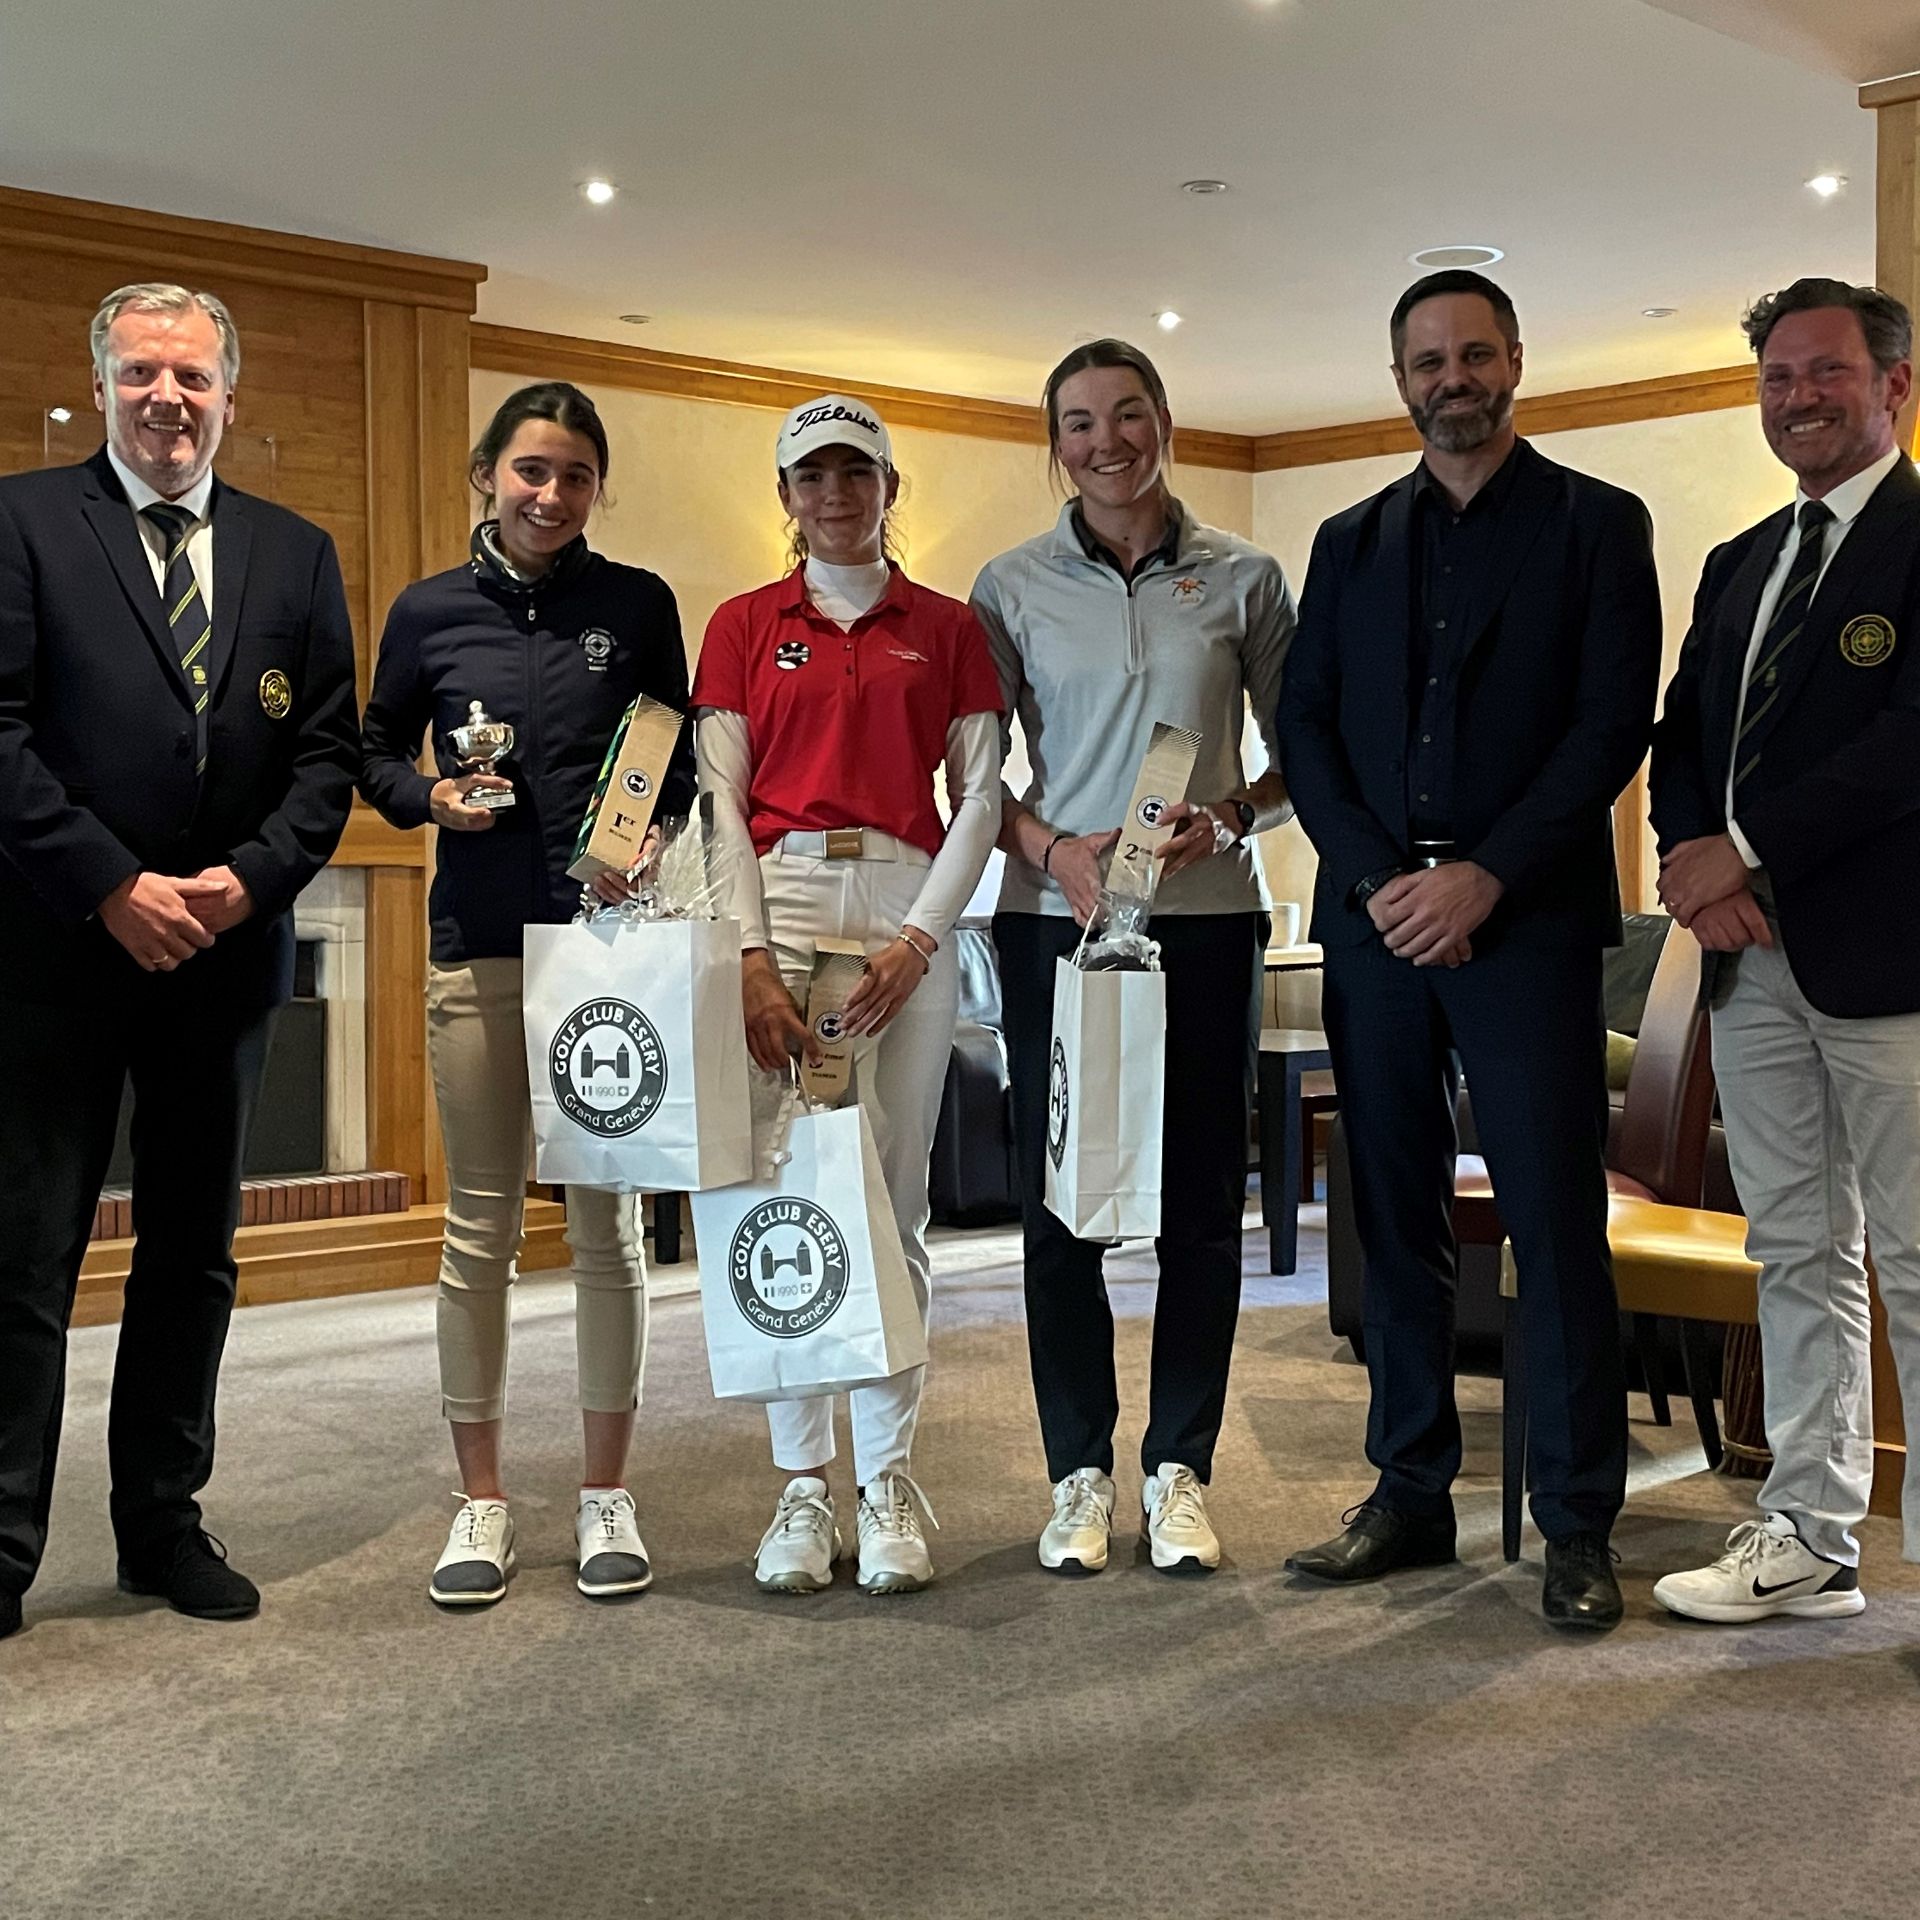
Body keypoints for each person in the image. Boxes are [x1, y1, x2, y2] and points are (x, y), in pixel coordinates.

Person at [1275, 271, 1662, 1630]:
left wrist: (1484, 878)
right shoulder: (1347, 540)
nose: (1455, 378)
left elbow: (1611, 727)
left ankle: (1575, 1525)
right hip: (1376, 926)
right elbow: (1304, 730)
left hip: (1529, 923)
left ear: (1515, 364)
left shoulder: (1599, 527)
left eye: (1476, 354)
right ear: (1400, 380)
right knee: (1393, 1218)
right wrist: (1387, 881)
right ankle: (1408, 1492)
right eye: (1429, 360)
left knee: (1556, 1227)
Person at [0, 283, 359, 1641]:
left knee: (192, 1257)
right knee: (25, 1256)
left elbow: (325, 755)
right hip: (49, 955)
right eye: (144, 373)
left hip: (222, 962)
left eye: (193, 378)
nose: (169, 398)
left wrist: (250, 880)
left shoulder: (294, 552)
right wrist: (108, 884)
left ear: (229, 394)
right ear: (100, 384)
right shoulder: (22, 525)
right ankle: (2, 1543)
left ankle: (162, 1525)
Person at [361, 381, 694, 1608]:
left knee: (607, 1233)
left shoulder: (637, 604)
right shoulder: (430, 611)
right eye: (530, 472)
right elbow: (376, 746)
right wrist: (429, 799)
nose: (551, 495)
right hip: (480, 948)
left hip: (606, 958)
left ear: (597, 489)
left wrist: (652, 836)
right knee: (481, 1234)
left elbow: (678, 757)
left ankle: (608, 1490)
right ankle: (483, 1501)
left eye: (575, 476)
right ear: (486, 475)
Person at [973, 339, 1294, 1578]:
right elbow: (968, 778)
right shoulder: (1007, 587)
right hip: (1059, 925)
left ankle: (1179, 1470)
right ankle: (1078, 1474)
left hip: (1206, 919)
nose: (1107, 441)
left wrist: (1235, 816)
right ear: (1052, 443)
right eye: (1079, 423)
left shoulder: (1245, 578)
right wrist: (1050, 849)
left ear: (1165, 420)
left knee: (1204, 1209)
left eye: (1128, 415)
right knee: (1062, 1213)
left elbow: (1301, 755)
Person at [693, 394, 1002, 1595]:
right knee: (782, 1193)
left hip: (904, 914)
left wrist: (925, 941)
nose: (834, 495)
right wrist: (751, 958)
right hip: (781, 900)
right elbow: (720, 801)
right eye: (811, 477)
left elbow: (979, 794)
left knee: (891, 1195)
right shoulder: (740, 625)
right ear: (785, 497)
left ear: (888, 490)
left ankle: (885, 1479)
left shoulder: (948, 626)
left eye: (856, 475)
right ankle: (801, 1491)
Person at [1649, 278, 1920, 1622]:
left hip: (1893, 969)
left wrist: (1745, 850)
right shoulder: (1741, 560)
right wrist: (1698, 874)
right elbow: (1682, 735)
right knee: (1796, 1252)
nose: (1799, 397)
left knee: (1918, 1259)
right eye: (1777, 379)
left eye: (1825, 374)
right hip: (1752, 970)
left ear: (1893, 388)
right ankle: (1810, 1536)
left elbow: (1908, 747)